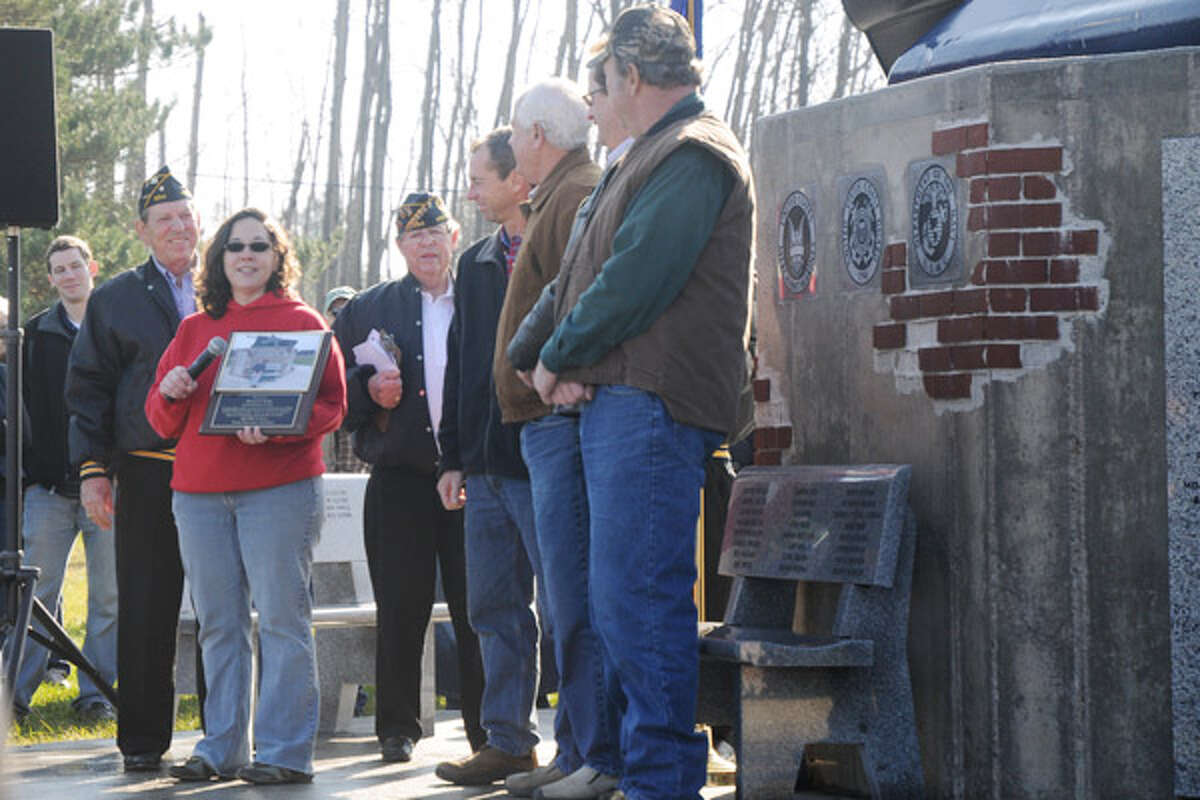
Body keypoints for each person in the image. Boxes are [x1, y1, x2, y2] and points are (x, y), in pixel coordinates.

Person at [531, 7, 756, 799]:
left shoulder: (693, 154)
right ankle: (633, 769)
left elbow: (634, 281)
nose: (602, 98)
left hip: (654, 406)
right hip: (622, 402)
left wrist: (556, 358)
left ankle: (663, 780)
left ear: (630, 76)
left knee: (639, 599)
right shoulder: (646, 156)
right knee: (614, 600)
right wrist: (536, 357)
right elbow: (575, 283)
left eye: (607, 81)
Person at [146, 208, 346, 784]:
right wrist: (171, 389)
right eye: (235, 246)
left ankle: (283, 752)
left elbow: (335, 406)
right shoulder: (192, 330)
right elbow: (158, 419)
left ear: (277, 256)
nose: (247, 255)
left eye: (260, 245)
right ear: (220, 258)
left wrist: (283, 427)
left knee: (283, 620)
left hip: (278, 491)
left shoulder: (305, 322)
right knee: (218, 624)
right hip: (200, 495)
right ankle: (221, 747)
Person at [500, 62, 636, 800]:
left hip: (562, 418)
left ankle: (598, 755)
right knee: (564, 601)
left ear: (540, 136)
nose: (512, 145)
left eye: (518, 134)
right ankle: (577, 747)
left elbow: (589, 294)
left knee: (578, 599)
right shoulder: (561, 194)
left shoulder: (579, 190)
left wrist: (556, 367)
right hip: (542, 421)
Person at [332, 192, 484, 765]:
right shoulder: (368, 309)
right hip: (399, 478)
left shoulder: (482, 296)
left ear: (454, 235)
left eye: (436, 232)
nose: (426, 243)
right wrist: (367, 392)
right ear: (399, 246)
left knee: (480, 608)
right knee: (401, 606)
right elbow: (333, 396)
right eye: (413, 236)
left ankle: (487, 732)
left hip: (474, 477)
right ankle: (397, 727)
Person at [66, 165, 204, 772]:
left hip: (227, 469)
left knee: (225, 610)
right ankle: (144, 741)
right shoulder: (116, 299)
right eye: (164, 220)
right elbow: (87, 389)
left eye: (185, 216)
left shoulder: (230, 286)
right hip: (148, 472)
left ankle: (227, 736)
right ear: (142, 231)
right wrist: (94, 470)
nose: (178, 227)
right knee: (146, 606)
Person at [431, 127, 545, 786]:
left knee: (564, 611)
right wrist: (454, 458)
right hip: (484, 465)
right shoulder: (474, 262)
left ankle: (588, 745)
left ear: (517, 179)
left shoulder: (562, 240)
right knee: (492, 609)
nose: (470, 192)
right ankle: (507, 741)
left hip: (549, 457)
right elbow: (466, 368)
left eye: (479, 179)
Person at [12, 236, 117, 725]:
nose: (70, 275)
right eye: (60, 269)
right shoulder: (34, 335)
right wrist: (31, 476)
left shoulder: (115, 324)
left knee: (109, 596)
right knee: (34, 595)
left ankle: (95, 694)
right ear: (50, 278)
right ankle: (14, 693)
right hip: (49, 491)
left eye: (76, 265)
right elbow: (20, 410)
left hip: (109, 489)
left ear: (91, 267)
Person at [321, 286, 368, 475]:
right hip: (329, 424)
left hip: (358, 424)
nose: (341, 315)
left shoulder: (368, 345)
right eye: (335, 311)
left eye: (347, 309)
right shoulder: (319, 347)